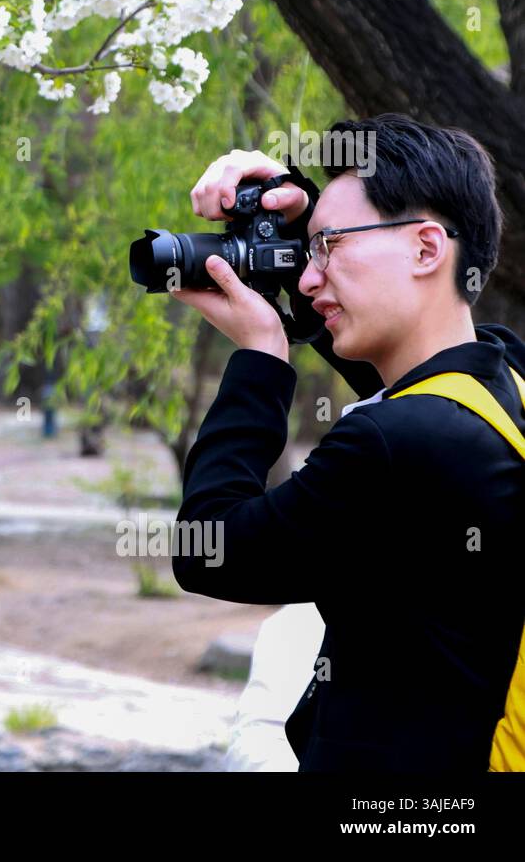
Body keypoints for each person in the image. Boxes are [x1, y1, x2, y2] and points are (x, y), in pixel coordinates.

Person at [169, 114, 525, 773]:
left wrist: (262, 353)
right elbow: (421, 385)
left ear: (426, 249)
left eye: (329, 246)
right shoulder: (508, 378)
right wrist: (304, 219)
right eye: (310, 251)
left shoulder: (392, 445)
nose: (307, 277)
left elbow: (208, 548)